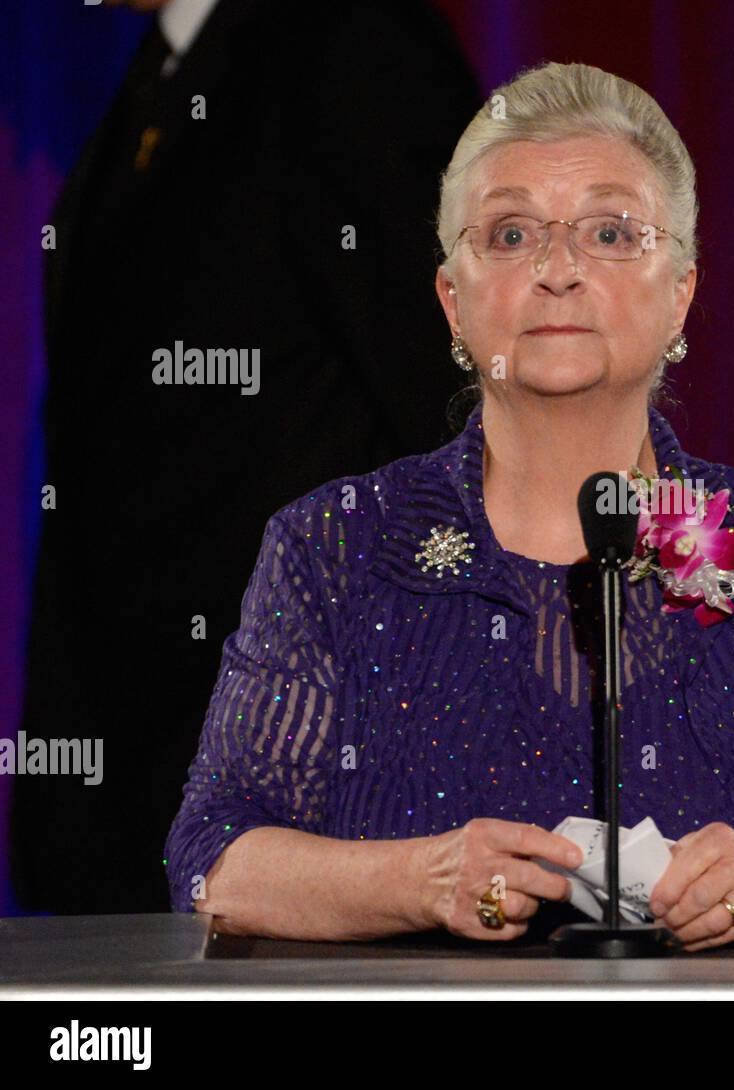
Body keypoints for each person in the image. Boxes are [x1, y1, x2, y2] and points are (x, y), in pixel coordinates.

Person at [164, 61, 734, 951]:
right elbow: (212, 858)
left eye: (610, 233)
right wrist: (420, 879)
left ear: (680, 291)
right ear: (453, 302)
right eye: (510, 234)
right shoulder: (332, 548)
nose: (558, 271)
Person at [14, 0, 481, 914]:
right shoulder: (158, 73)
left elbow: (447, 371)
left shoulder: (351, 37)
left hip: (291, 764)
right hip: (132, 755)